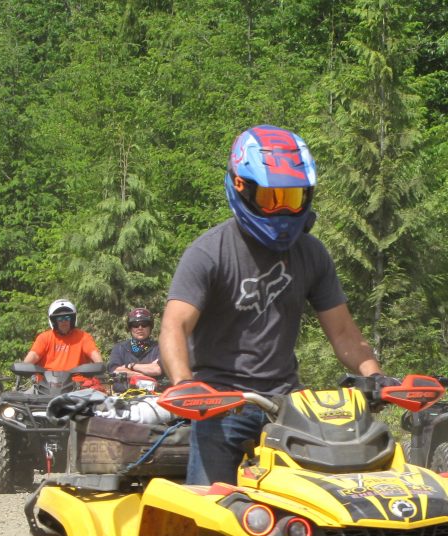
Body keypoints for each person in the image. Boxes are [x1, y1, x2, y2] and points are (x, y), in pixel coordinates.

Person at [159, 124, 389, 485]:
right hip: (222, 401)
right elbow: (176, 324)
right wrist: (184, 383)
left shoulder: (312, 254)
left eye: (292, 198)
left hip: (287, 403)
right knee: (210, 506)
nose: (281, 210)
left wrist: (374, 376)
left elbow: (344, 333)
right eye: (270, 198)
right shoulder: (209, 252)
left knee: (334, 488)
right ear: (241, 187)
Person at [24, 299, 104, 386]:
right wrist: (24, 367)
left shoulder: (83, 337)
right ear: (54, 321)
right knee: (21, 398)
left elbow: (94, 354)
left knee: (100, 397)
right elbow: (34, 355)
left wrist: (100, 366)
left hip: (78, 385)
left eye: (67, 318)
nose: (64, 322)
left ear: (72, 319)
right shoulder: (44, 337)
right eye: (60, 319)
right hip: (46, 385)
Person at [106, 307, 163, 385]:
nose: (140, 328)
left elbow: (157, 369)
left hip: (154, 394)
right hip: (123, 394)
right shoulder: (119, 348)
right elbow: (115, 371)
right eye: (135, 325)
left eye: (144, 324)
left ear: (150, 327)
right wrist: (144, 375)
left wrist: (130, 366)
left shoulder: (159, 347)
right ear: (130, 328)